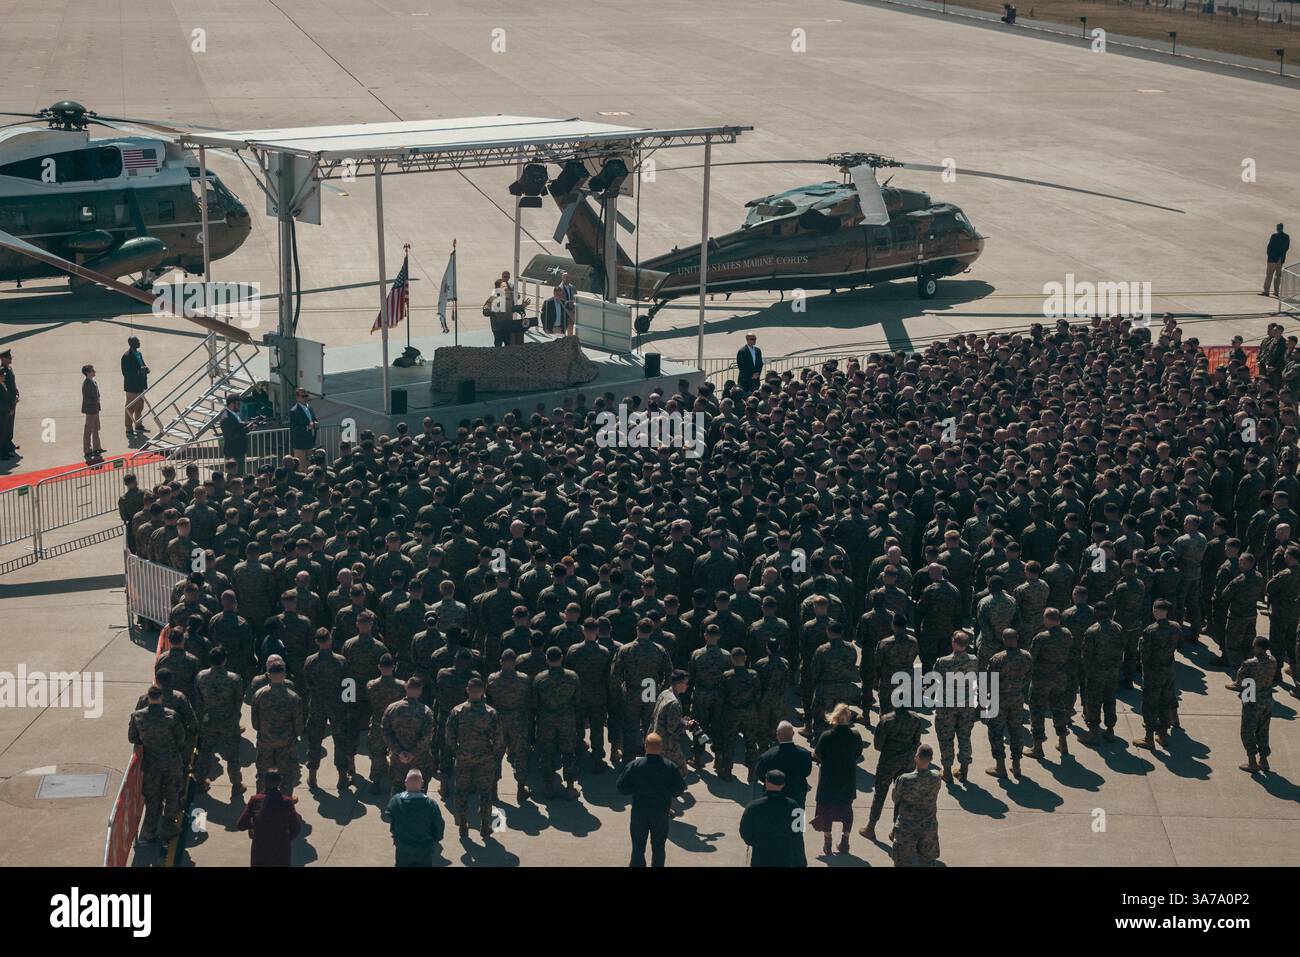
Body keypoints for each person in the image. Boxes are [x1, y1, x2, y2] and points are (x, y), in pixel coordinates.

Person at [128, 685, 187, 846]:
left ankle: (150, 831)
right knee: (172, 794)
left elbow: (133, 738)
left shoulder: (137, 716)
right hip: (171, 762)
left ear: (148, 697)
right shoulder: (171, 716)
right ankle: (168, 826)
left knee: (152, 798)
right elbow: (181, 738)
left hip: (151, 764)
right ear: (161, 697)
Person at [615, 732, 686, 867]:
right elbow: (679, 788)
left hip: (639, 812)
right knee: (659, 847)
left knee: (638, 846)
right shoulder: (670, 766)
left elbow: (621, 787)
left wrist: (634, 790)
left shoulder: (634, 765)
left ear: (645, 746)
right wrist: (668, 793)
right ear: (661, 747)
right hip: (660, 813)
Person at [811, 703, 864, 856]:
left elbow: (817, 754)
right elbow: (858, 753)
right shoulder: (855, 735)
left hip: (828, 778)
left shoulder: (826, 736)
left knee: (826, 809)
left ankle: (827, 842)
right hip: (847, 777)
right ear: (848, 718)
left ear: (833, 717)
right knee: (846, 808)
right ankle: (845, 840)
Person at [1227, 636, 1277, 773]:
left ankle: (1252, 762)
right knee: (1263, 730)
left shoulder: (1249, 664)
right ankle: (1264, 760)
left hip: (1251, 699)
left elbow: (1239, 683)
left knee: (1247, 731)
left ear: (1256, 647)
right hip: (1267, 700)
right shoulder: (1273, 660)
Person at [235, 769, 303, 866]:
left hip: (260, 848)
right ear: (279, 784)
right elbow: (296, 828)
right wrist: (285, 840)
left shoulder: (255, 800)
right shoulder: (287, 802)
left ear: (264, 782)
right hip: (281, 850)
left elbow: (240, 825)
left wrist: (255, 824)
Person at [890, 744, 943, 866]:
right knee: (928, 862)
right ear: (930, 759)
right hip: (928, 827)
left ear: (916, 758)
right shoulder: (936, 778)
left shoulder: (904, 779)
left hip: (906, 828)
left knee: (901, 862)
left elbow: (895, 799)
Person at [739, 769, 799, 866]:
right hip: (784, 855)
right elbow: (798, 831)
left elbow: (744, 831)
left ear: (766, 782)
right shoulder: (794, 805)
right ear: (783, 784)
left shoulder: (753, 807)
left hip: (760, 855)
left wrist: (756, 843)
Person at [386, 769, 445, 866]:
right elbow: (439, 826)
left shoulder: (396, 801)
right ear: (422, 783)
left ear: (405, 783)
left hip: (403, 849)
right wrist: (435, 839)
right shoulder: (431, 804)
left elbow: (389, 816)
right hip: (424, 849)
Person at [120, 335, 149, 436]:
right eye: (137, 341)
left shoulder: (139, 354)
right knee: (130, 408)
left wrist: (146, 369)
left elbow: (142, 364)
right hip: (132, 387)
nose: (139, 343)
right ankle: (128, 428)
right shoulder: (126, 356)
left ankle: (138, 425)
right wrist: (138, 371)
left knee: (140, 407)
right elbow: (125, 373)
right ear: (132, 344)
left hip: (140, 385)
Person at [219, 393, 254, 475]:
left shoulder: (233, 414)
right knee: (234, 475)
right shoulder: (226, 418)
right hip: (234, 452)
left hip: (239, 451)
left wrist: (249, 424)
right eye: (238, 404)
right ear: (231, 404)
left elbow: (239, 424)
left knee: (239, 474)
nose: (239, 406)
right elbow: (231, 436)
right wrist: (247, 429)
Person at [288, 388, 318, 470]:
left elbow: (314, 419)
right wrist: (307, 427)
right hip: (300, 444)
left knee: (311, 466)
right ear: (297, 397)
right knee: (301, 467)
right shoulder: (294, 411)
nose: (305, 398)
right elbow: (294, 428)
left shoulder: (310, 408)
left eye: (306, 396)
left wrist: (315, 424)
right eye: (303, 396)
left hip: (310, 442)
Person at [81, 363, 103, 463]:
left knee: (96, 429)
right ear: (88, 373)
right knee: (88, 430)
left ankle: (96, 448)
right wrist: (96, 400)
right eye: (92, 371)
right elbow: (88, 398)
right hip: (90, 410)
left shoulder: (93, 381)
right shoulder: (86, 384)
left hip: (95, 409)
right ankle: (87, 450)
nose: (94, 372)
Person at [1262, 223, 1290, 297]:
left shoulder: (1274, 236)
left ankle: (1266, 291)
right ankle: (1276, 292)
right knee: (1278, 276)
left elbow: (1269, 246)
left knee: (1269, 275)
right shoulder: (1286, 237)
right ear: (1282, 228)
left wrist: (1269, 255)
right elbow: (1287, 248)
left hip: (1272, 258)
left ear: (1277, 228)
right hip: (1280, 259)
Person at [0, 348, 17, 460]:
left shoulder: (9, 369)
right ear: (3, 359)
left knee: (9, 426)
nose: (11, 360)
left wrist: (16, 393)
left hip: (11, 401)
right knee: (4, 429)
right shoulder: (2, 371)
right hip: (6, 405)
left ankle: (8, 444)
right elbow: (4, 393)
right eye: (9, 358)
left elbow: (12, 385)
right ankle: (4, 449)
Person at [558, 270, 577, 336]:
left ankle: (570, 340)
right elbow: (559, 301)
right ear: (562, 278)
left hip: (571, 310)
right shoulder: (559, 288)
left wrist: (573, 309)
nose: (567, 279)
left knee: (570, 326)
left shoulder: (573, 288)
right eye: (565, 277)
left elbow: (576, 298)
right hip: (563, 310)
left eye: (568, 277)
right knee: (563, 327)